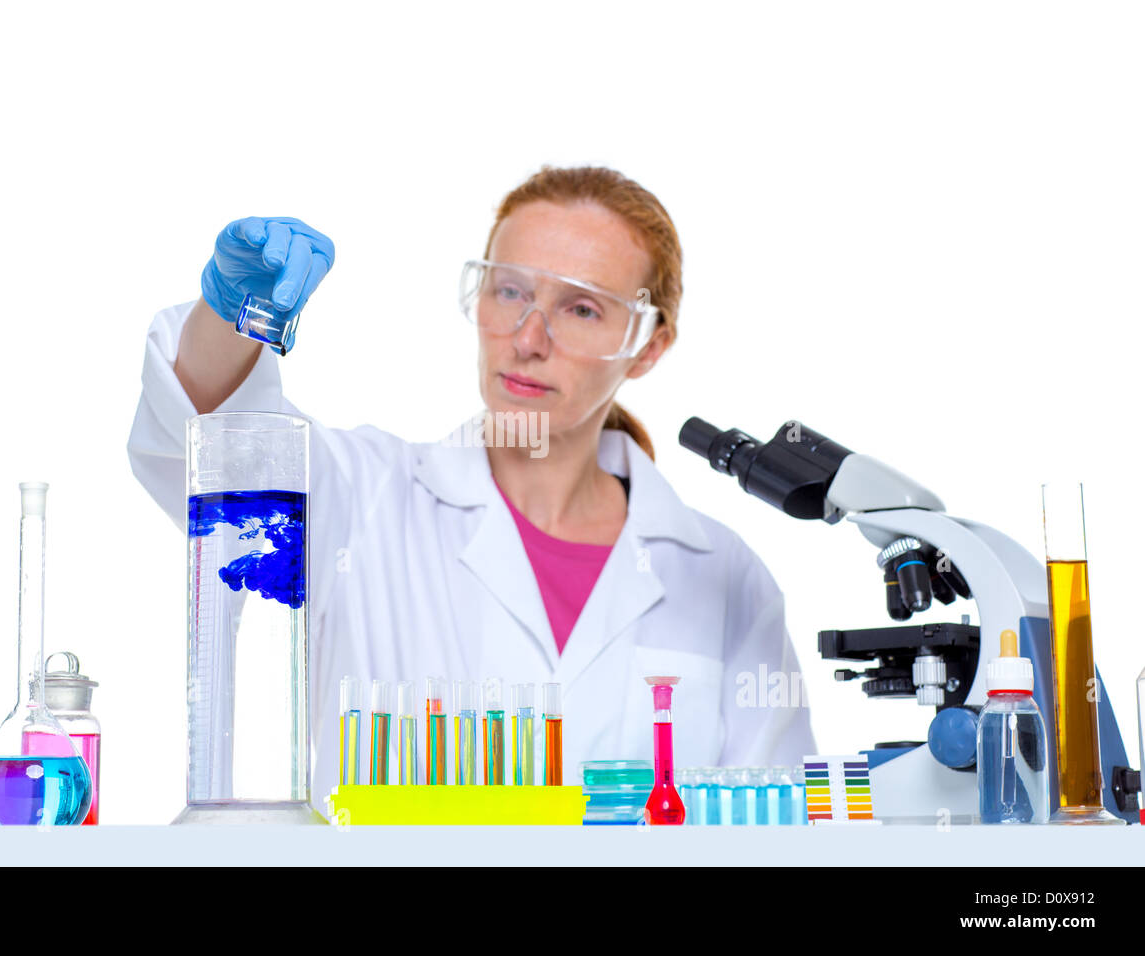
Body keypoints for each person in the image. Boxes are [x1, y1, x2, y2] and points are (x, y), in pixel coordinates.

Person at [128, 166, 816, 806]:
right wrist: (235, 308)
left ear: (647, 345)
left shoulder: (727, 579)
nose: (528, 337)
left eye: (581, 309)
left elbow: (778, 826)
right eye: (511, 291)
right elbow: (211, 436)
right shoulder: (362, 500)